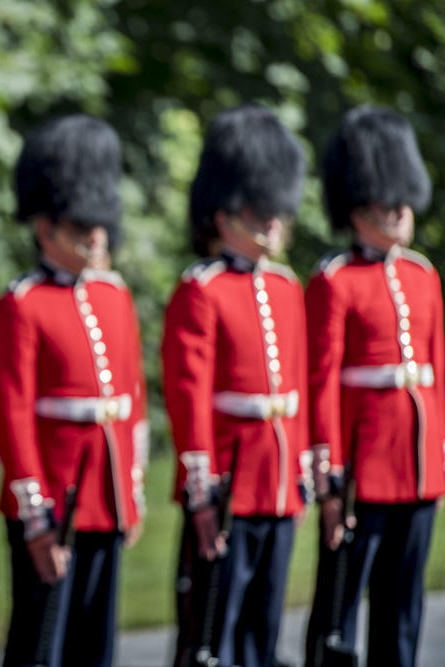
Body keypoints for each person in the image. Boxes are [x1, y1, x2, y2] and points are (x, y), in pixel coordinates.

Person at [0, 114, 148, 667]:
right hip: (55, 502)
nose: (96, 231)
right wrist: (36, 516)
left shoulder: (114, 295)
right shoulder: (22, 303)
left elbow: (132, 402)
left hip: (106, 494)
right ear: (46, 226)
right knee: (40, 644)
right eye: (81, 221)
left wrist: (133, 488)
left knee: (95, 644)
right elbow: (12, 416)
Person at [162, 104, 308, 667]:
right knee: (210, 637)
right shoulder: (201, 289)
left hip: (276, 482)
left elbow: (295, 389)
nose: (273, 219)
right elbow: (188, 395)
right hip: (228, 485)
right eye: (259, 208)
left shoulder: (286, 286)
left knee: (262, 629)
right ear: (226, 216)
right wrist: (200, 487)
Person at [303, 106, 443, 667]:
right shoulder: (335, 281)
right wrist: (330, 476)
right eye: (390, 200)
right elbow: (322, 384)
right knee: (339, 610)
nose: (403, 210)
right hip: (363, 472)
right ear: (360, 208)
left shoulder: (423, 276)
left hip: (418, 469)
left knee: (403, 609)